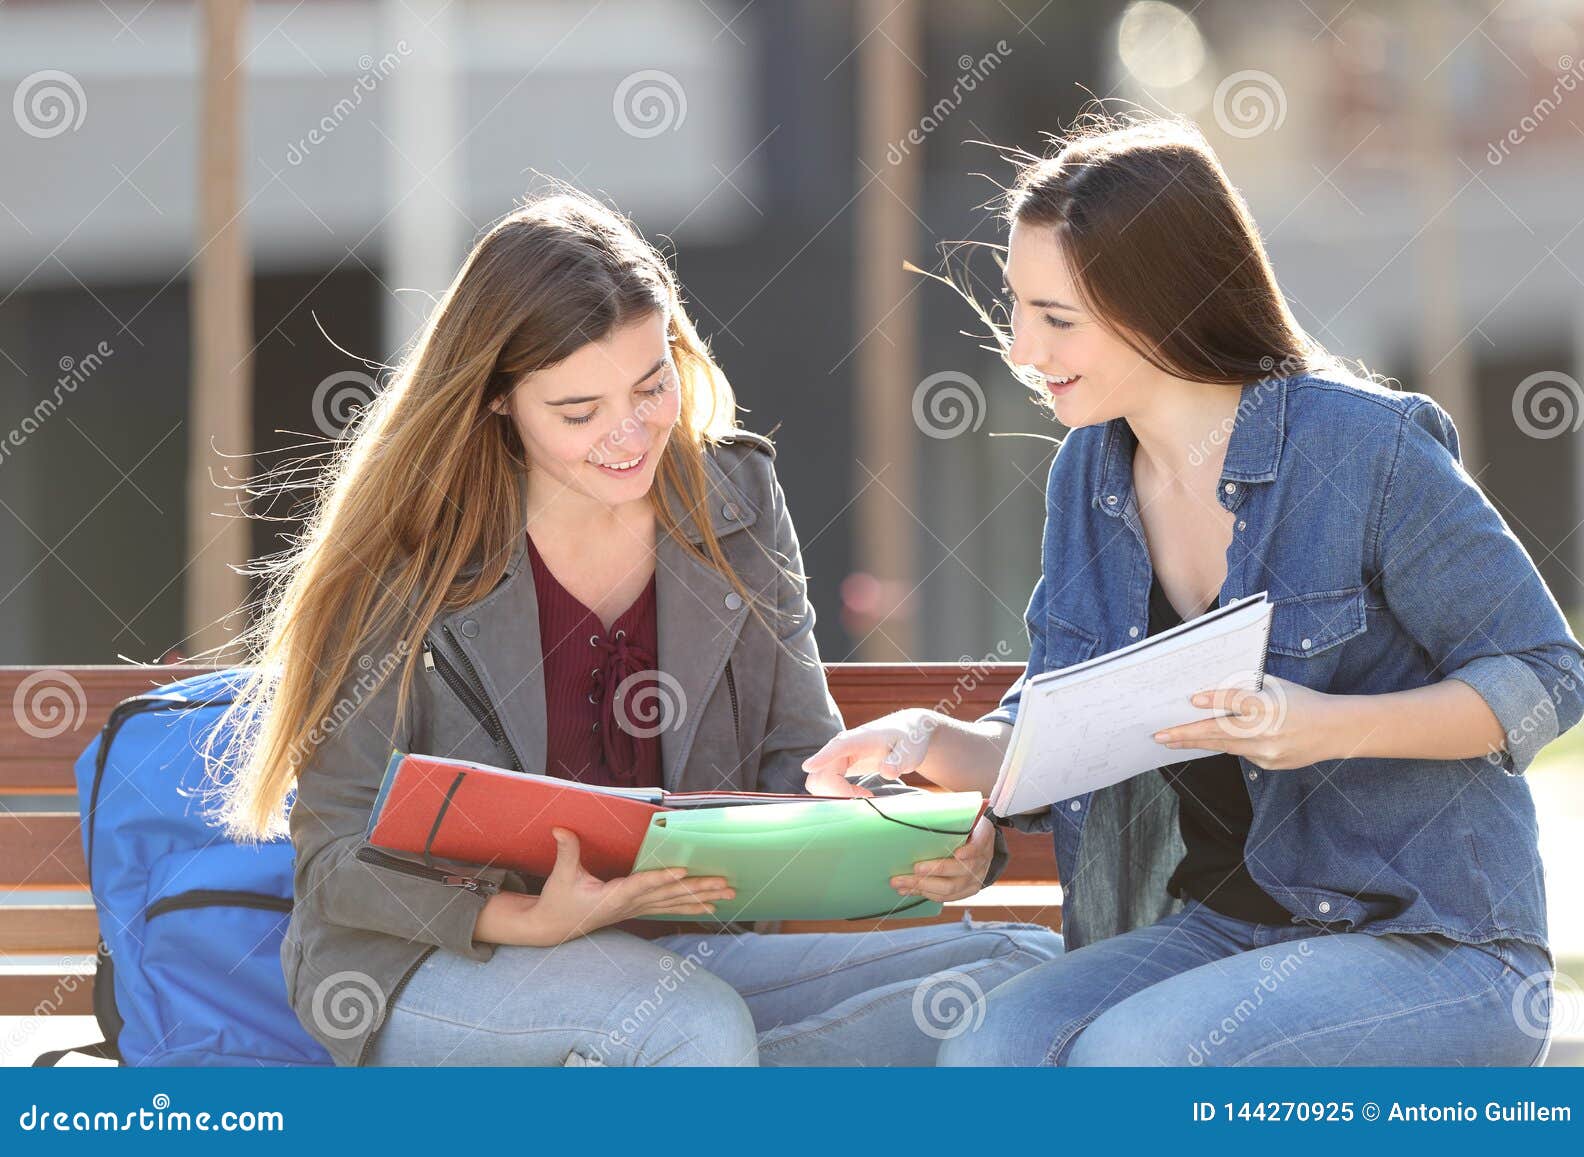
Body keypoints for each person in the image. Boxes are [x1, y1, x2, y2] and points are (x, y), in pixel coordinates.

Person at [803, 116, 1584, 1067]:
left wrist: (1327, 726)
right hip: (1228, 931)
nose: (1018, 347)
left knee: (1135, 1059)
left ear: (1163, 305)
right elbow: (1054, 725)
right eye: (1017, 307)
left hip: (1432, 943)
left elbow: (1544, 675)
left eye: (1055, 318)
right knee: (990, 1047)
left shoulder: (1363, 449)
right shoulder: (1087, 476)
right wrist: (930, 742)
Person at [215, 189, 1059, 1068]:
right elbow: (336, 860)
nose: (628, 434)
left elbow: (797, 765)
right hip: (442, 961)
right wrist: (527, 916)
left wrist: (917, 841)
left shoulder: (733, 503)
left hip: (679, 953)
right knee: (689, 1030)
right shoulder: (411, 549)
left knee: (1014, 974)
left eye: (651, 385)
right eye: (578, 413)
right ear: (497, 400)